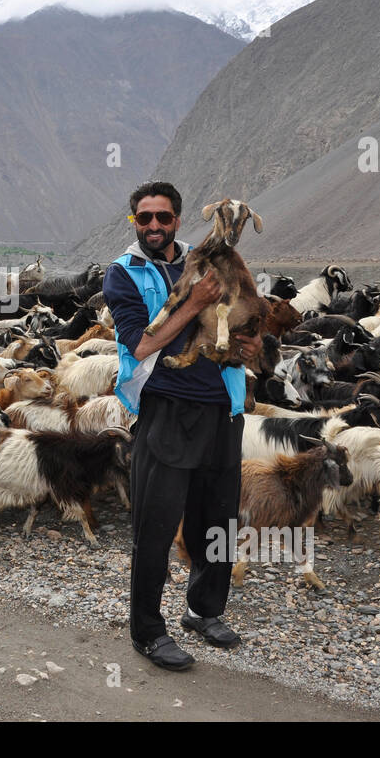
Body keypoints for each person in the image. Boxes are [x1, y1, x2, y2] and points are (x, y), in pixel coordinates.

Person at [102, 181, 261, 672]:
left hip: (223, 406)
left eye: (163, 218)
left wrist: (250, 347)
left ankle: (203, 610)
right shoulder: (123, 275)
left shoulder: (211, 258)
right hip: (167, 410)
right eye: (144, 218)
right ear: (134, 222)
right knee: (155, 523)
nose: (154, 226)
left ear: (178, 219)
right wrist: (193, 303)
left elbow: (238, 315)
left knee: (216, 520)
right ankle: (148, 631)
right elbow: (140, 345)